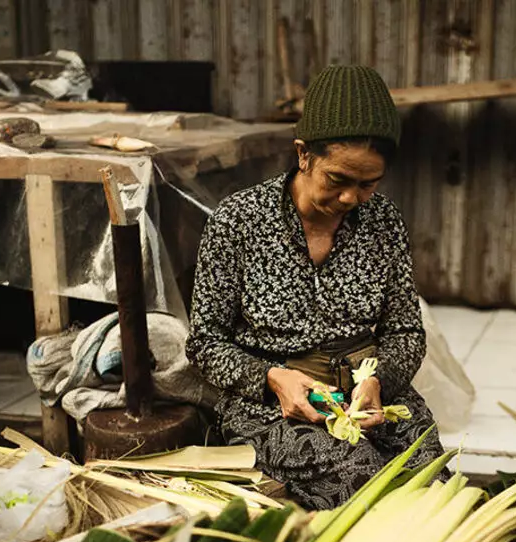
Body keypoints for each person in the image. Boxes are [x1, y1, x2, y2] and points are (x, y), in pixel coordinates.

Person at [186, 64, 446, 510]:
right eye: (338, 180)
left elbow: (405, 331)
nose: (351, 198)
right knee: (360, 480)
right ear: (304, 155)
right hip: (270, 405)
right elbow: (205, 343)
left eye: (368, 183)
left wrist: (379, 381)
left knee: (431, 481)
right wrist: (272, 378)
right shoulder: (239, 221)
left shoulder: (383, 222)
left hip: (369, 399)